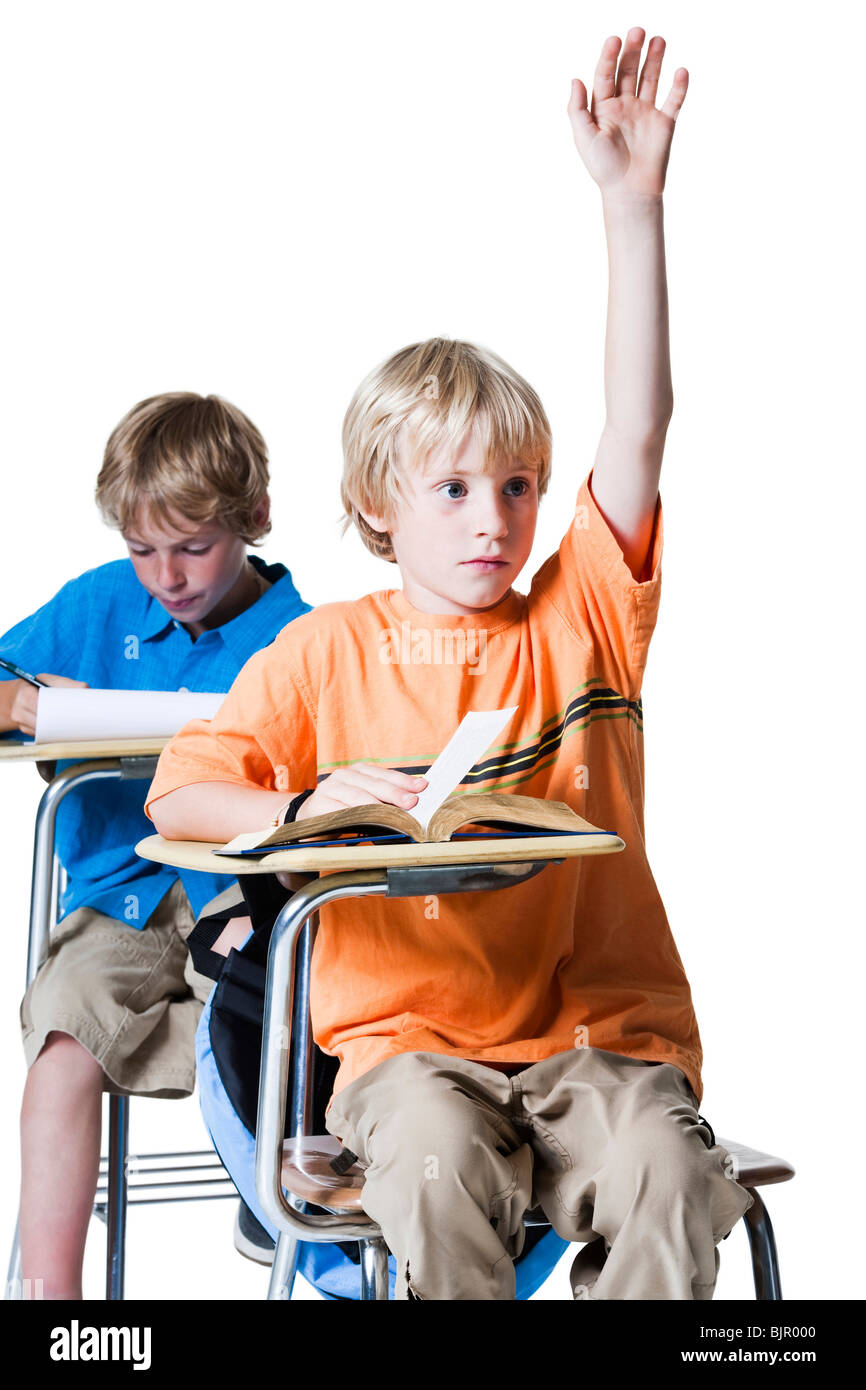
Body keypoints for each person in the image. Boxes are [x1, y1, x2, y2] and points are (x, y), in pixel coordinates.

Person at [144, 31, 755, 1300]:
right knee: (424, 1168)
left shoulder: (580, 613)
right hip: (409, 1054)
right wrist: (303, 807)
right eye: (456, 488)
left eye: (518, 486)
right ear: (379, 507)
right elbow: (181, 793)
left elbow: (638, 427)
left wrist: (629, 209)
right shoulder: (321, 656)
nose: (494, 518)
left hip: (603, 1043)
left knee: (666, 1172)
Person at [0, 391, 311, 1299]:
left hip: (237, 895)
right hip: (118, 901)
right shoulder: (101, 605)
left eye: (192, 548)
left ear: (252, 519)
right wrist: (23, 704)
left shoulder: (302, 636)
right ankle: (51, 1309)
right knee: (66, 1037)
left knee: (283, 1009)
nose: (166, 576)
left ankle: (275, 1193)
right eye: (143, 550)